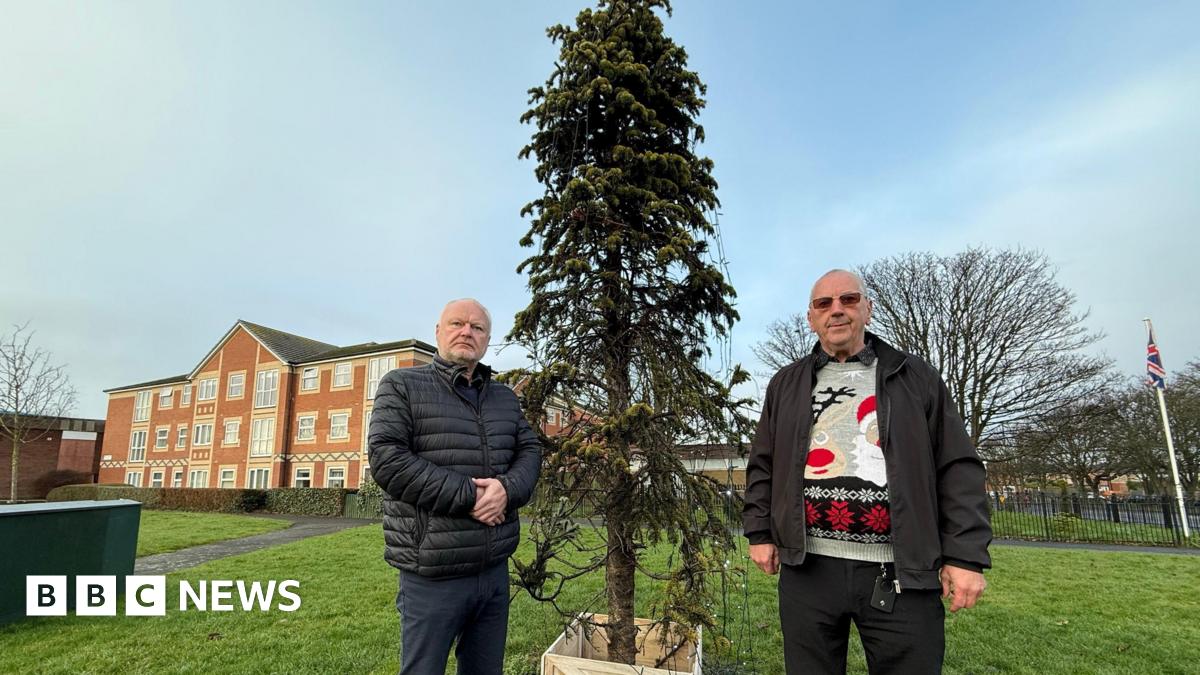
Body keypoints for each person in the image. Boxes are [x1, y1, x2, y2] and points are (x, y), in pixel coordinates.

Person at [743, 270, 992, 674]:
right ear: (811, 318)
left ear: (868, 309)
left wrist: (965, 557)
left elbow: (958, 468)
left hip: (901, 573)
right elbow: (763, 464)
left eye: (849, 299)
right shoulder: (786, 384)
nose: (836, 310)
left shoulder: (915, 378)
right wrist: (759, 532)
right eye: (824, 304)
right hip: (808, 572)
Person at [369, 298, 541, 675]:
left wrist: (507, 490)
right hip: (432, 573)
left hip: (493, 570)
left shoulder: (504, 397)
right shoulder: (402, 385)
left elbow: (530, 452)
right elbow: (387, 459)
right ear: (438, 332)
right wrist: (473, 496)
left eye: (477, 328)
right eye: (457, 324)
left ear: (487, 339)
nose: (467, 332)